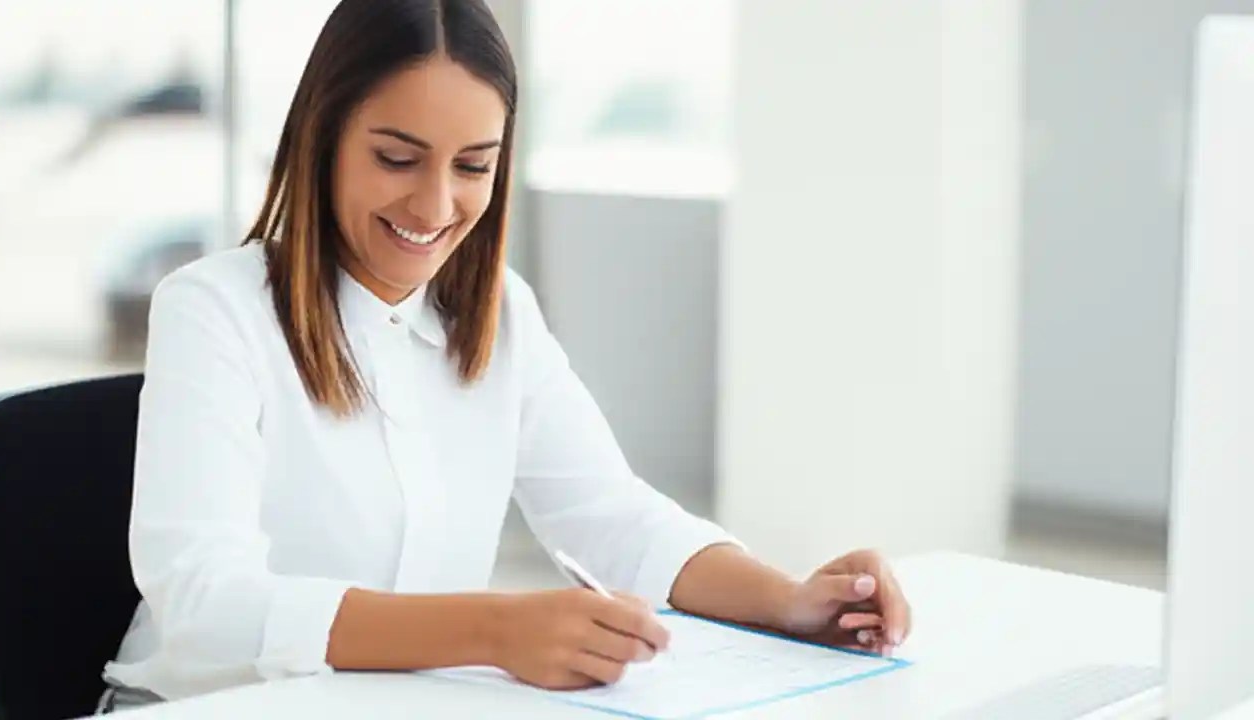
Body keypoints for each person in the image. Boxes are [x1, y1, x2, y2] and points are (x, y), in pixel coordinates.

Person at [99, 0, 911, 711]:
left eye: (473, 167)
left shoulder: (499, 316)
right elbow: (203, 599)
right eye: (396, 158)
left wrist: (791, 601)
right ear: (322, 136)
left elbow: (612, 516)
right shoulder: (214, 310)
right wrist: (492, 627)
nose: (435, 205)